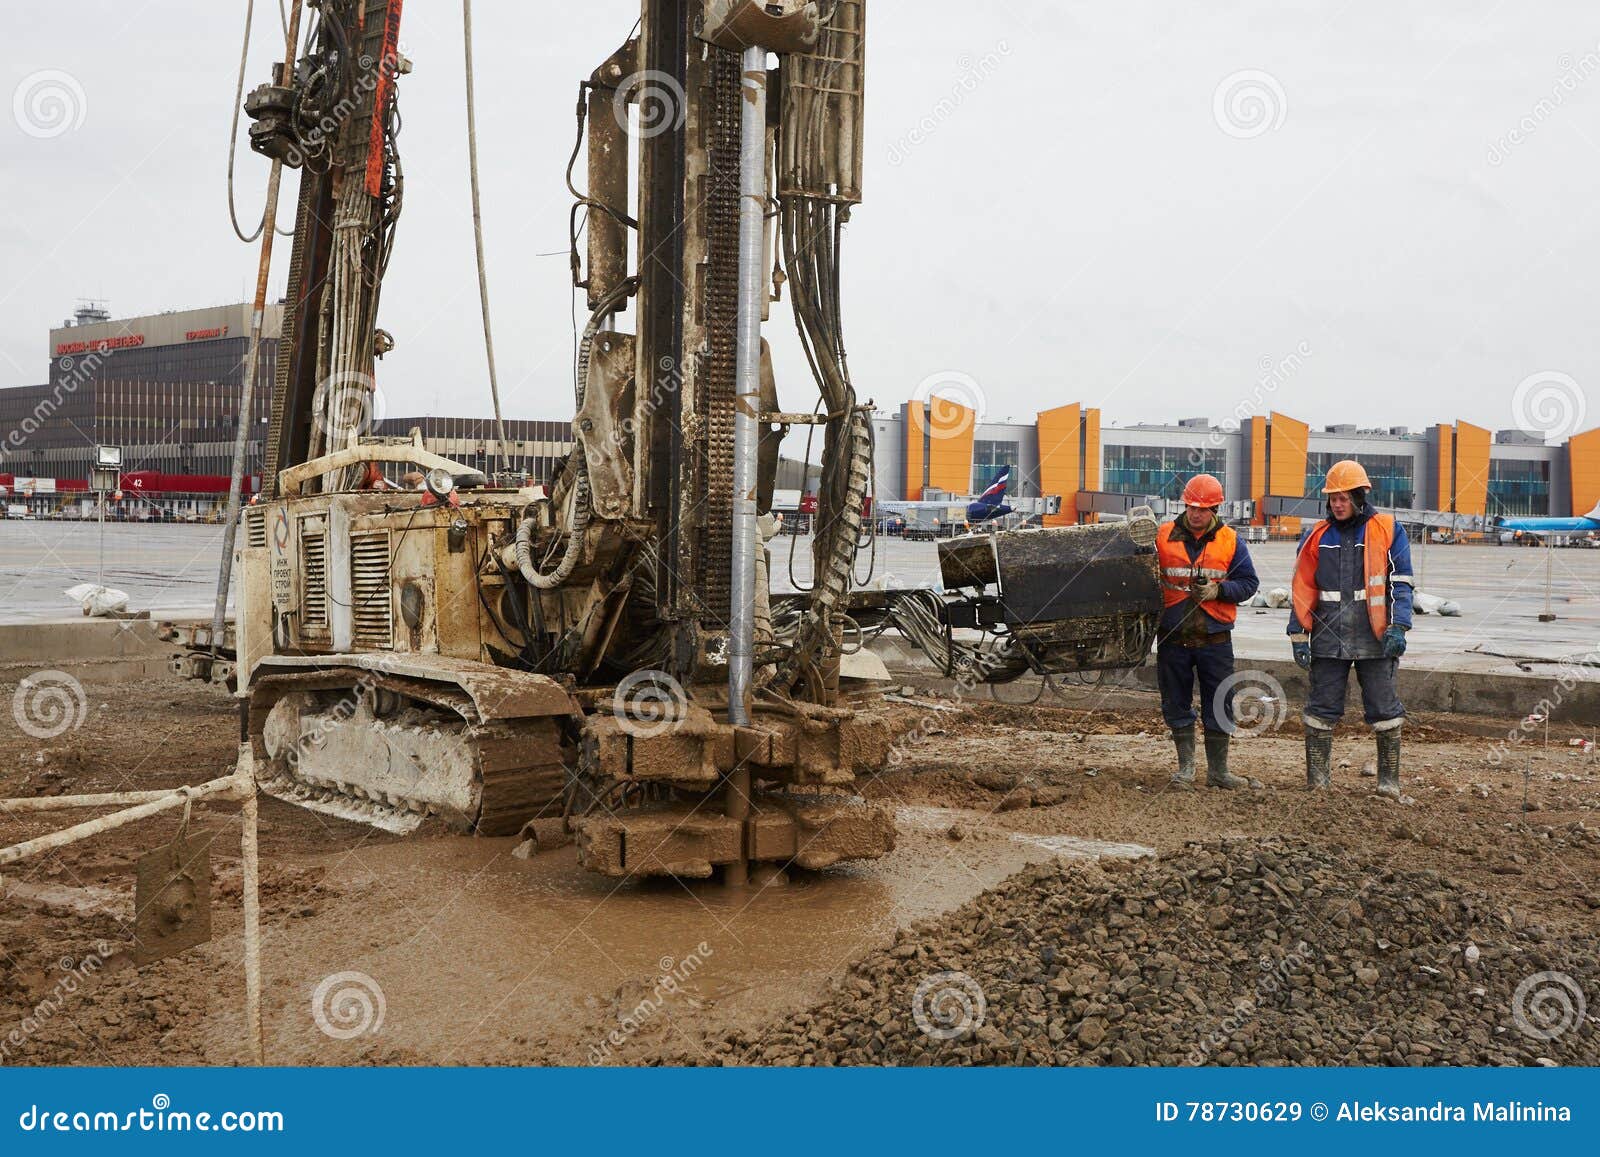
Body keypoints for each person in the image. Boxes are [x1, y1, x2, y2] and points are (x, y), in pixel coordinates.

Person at [1287, 460, 1414, 800]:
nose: (1337, 505)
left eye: (1344, 498)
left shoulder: (1387, 528)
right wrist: (1299, 634)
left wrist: (1399, 625)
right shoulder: (1317, 535)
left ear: (1359, 496)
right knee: (1320, 710)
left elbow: (1401, 582)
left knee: (1385, 710)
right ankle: (1318, 782)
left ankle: (1388, 781)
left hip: (1376, 637)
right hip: (1328, 638)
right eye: (1333, 499)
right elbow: (1302, 588)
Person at [1155, 474, 1260, 789]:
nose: (1195, 514)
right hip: (1173, 638)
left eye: (1202, 508)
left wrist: (1219, 591)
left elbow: (1249, 583)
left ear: (1215, 508)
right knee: (1175, 703)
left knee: (1220, 704)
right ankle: (1186, 769)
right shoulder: (1161, 537)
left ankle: (1218, 772)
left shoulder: (1230, 540)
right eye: (1191, 507)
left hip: (1214, 639)